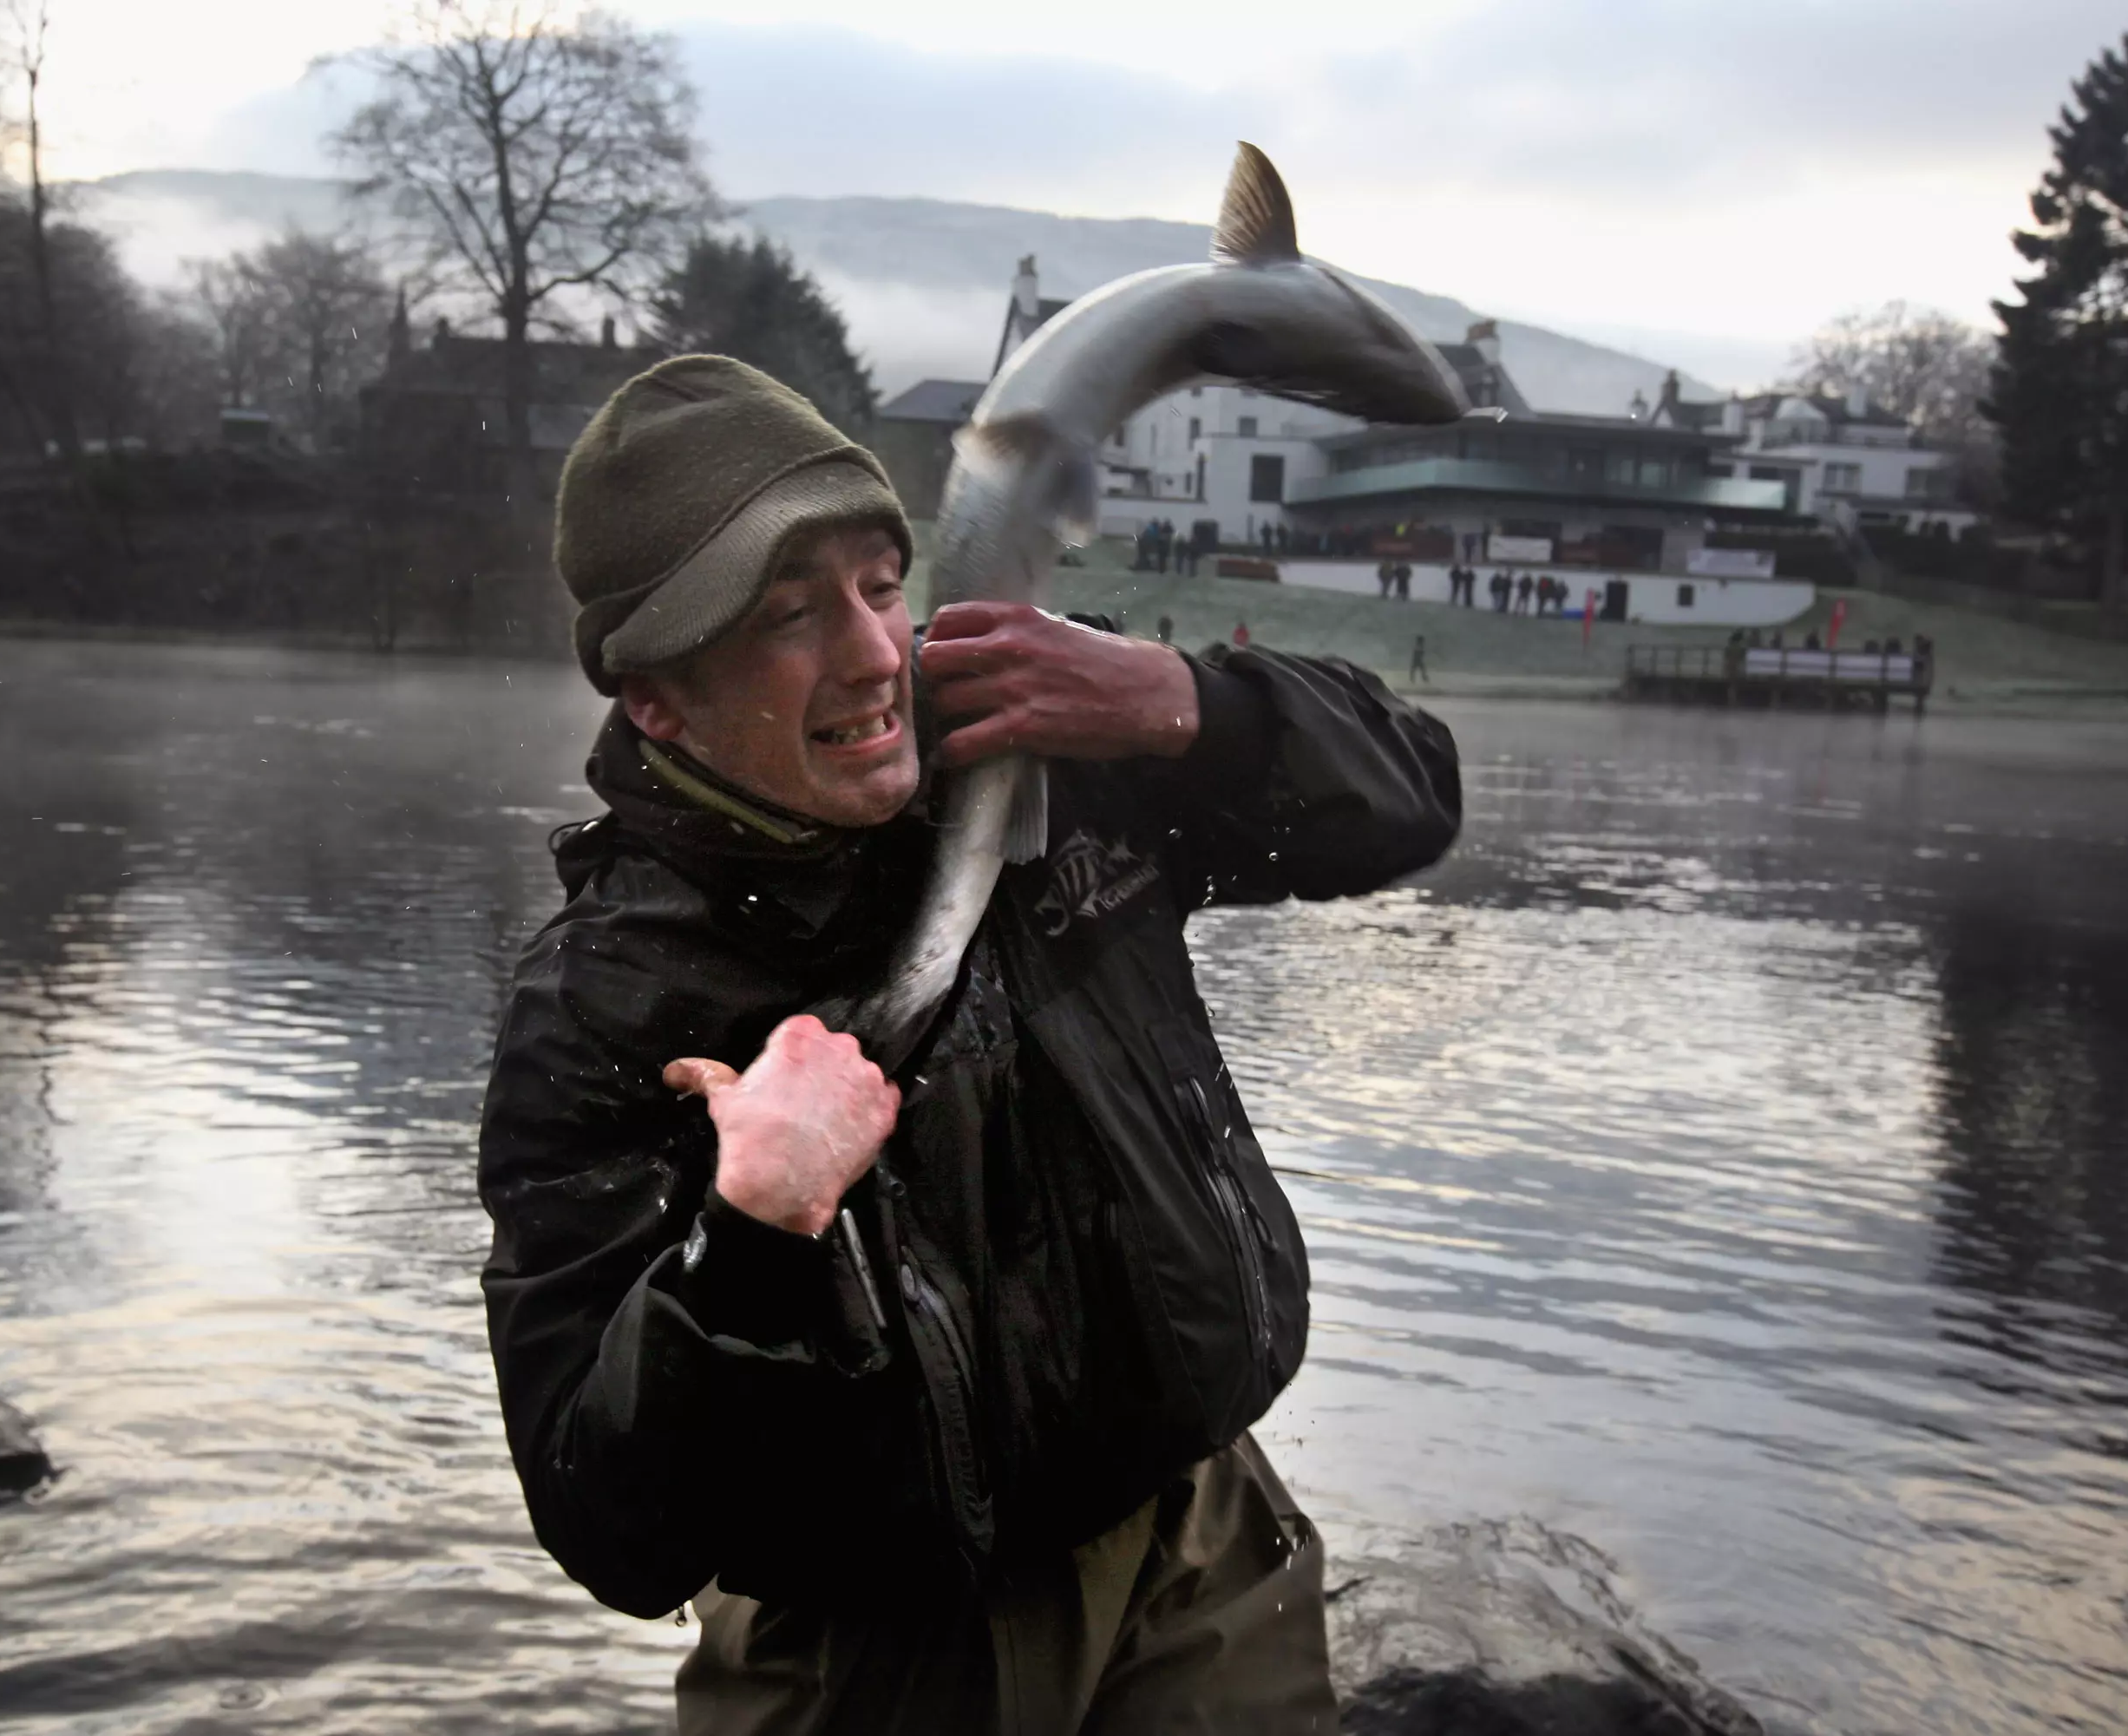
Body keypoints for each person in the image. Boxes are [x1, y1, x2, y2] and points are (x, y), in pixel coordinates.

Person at [482, 356, 1462, 1736]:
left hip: (1205, 1540)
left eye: (883, 585)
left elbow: (1415, 799)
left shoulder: (1052, 752)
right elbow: (610, 1526)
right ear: (659, 701)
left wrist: (1187, 704)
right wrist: (749, 1237)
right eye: (787, 615)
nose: (878, 654)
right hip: (881, 1644)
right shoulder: (608, 1004)